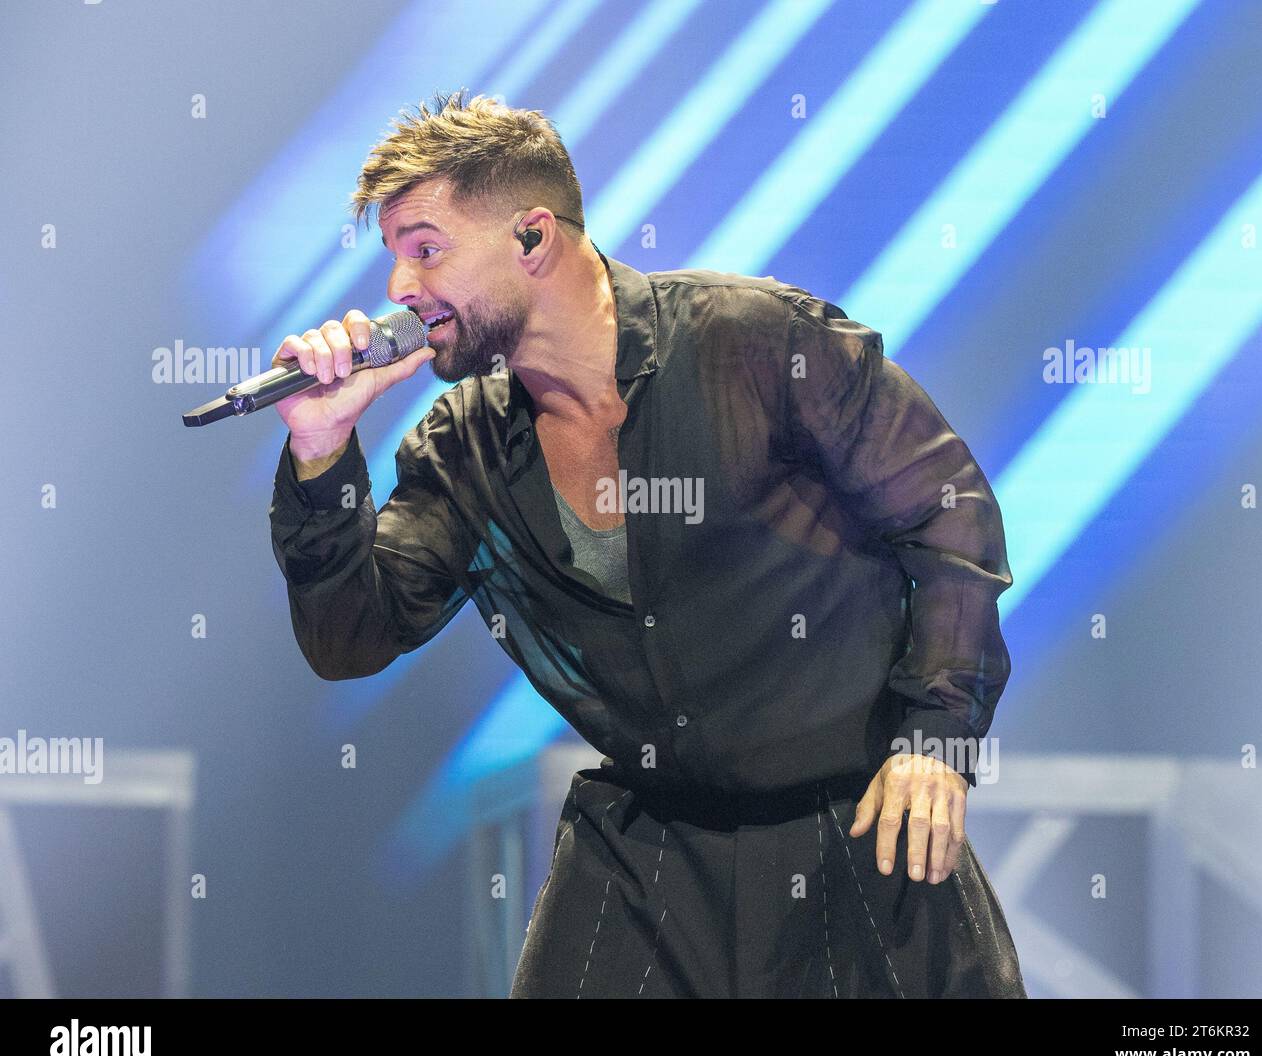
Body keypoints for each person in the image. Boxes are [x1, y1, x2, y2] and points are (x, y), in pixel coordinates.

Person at [268, 90, 1026, 998]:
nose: (399, 291)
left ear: (532, 238)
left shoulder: (756, 344)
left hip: (860, 829)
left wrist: (935, 740)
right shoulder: (464, 447)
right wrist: (318, 451)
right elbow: (351, 637)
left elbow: (950, 516)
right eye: (395, 259)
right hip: (645, 856)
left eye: (426, 249)